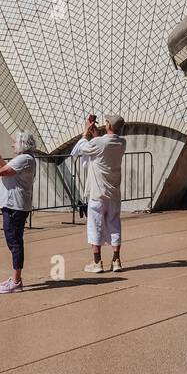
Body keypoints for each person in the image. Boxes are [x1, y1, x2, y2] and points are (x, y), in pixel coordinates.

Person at [73, 114, 126, 273]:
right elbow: (103, 144)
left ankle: (97, 262)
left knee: (95, 226)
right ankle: (116, 260)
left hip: (97, 193)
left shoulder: (99, 143)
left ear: (109, 125)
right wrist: (96, 135)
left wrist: (85, 132)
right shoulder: (122, 142)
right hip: (114, 192)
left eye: (106, 122)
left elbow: (81, 148)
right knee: (114, 224)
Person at [0, 132, 37, 293]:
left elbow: (1, 171)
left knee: (14, 241)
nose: (12, 144)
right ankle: (15, 278)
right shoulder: (24, 159)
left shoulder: (25, 159)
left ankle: (16, 281)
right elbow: (7, 168)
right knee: (12, 240)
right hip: (13, 204)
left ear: (23, 143)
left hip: (16, 205)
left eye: (15, 142)